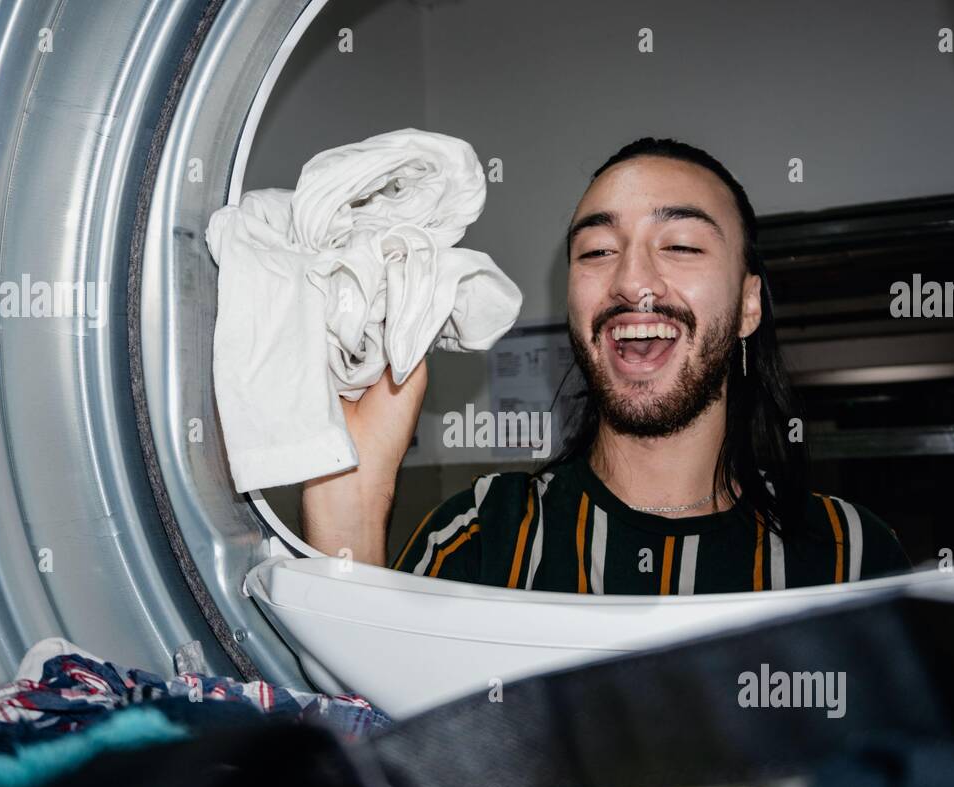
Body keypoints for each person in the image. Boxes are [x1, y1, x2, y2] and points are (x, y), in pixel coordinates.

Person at [301, 137, 911, 594]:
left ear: (750, 303)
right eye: (597, 251)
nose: (632, 281)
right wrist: (349, 503)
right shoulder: (481, 536)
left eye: (681, 246)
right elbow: (374, 737)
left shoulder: (853, 558)